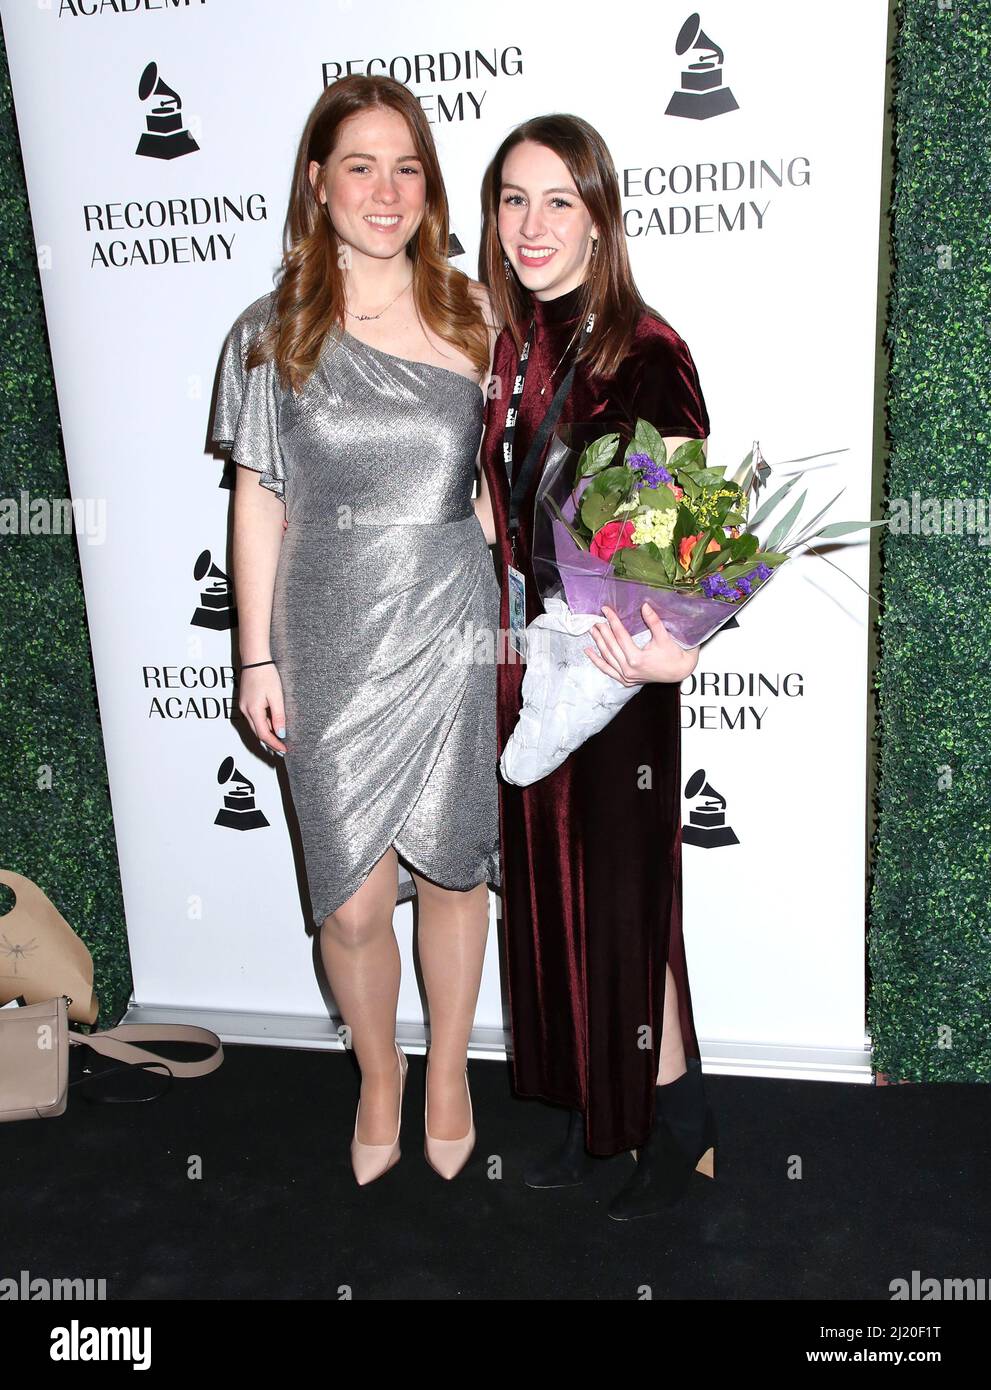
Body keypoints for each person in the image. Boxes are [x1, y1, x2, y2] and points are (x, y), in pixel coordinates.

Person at [210, 75, 500, 1187]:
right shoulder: (272, 328)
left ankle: (446, 1074)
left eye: (407, 166)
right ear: (317, 184)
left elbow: (493, 489)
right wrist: (255, 655)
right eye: (360, 166)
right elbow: (258, 502)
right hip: (326, 629)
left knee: (457, 874)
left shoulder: (476, 315)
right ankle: (378, 1068)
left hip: (451, 621)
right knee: (353, 895)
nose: (385, 190)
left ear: (428, 190)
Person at [475, 114, 717, 1220]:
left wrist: (675, 643)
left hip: (614, 672)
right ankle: (625, 1113)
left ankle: (662, 1129)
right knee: (557, 899)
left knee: (622, 900)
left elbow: (690, 529)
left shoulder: (644, 349)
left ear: (600, 216)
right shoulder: (512, 342)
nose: (532, 224)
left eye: (557, 201)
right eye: (513, 200)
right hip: (530, 664)